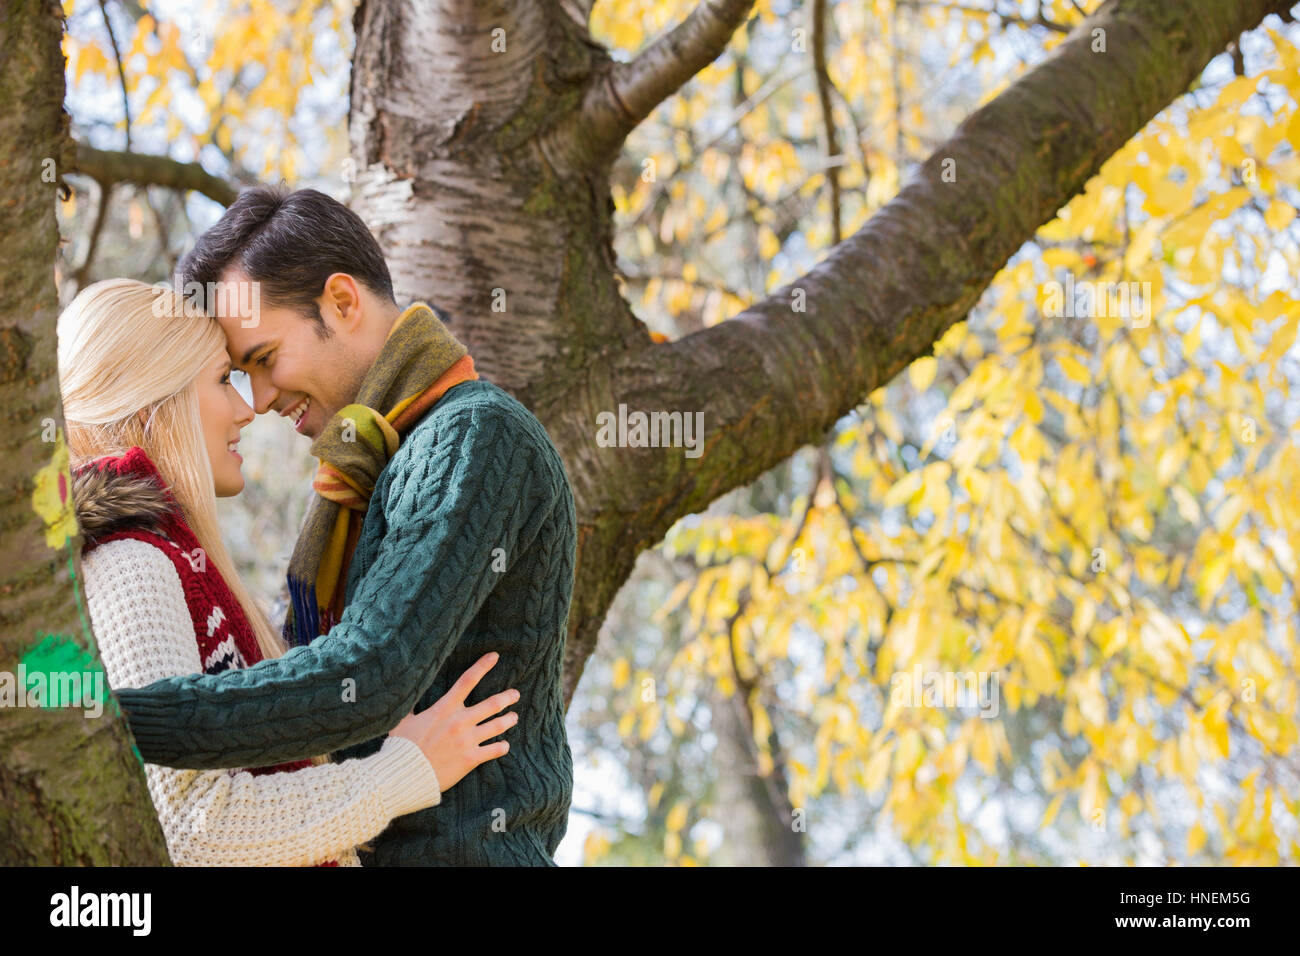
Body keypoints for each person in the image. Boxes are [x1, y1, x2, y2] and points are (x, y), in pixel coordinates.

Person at [112, 186, 578, 866]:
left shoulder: (474, 435)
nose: (261, 400)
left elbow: (367, 672)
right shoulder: (362, 476)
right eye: (241, 376)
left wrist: (109, 717)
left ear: (342, 302)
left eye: (264, 360)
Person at [60, 278, 521, 866]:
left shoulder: (166, 560)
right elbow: (195, 828)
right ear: (156, 403)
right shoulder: (131, 562)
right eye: (223, 380)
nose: (246, 409)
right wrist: (406, 771)